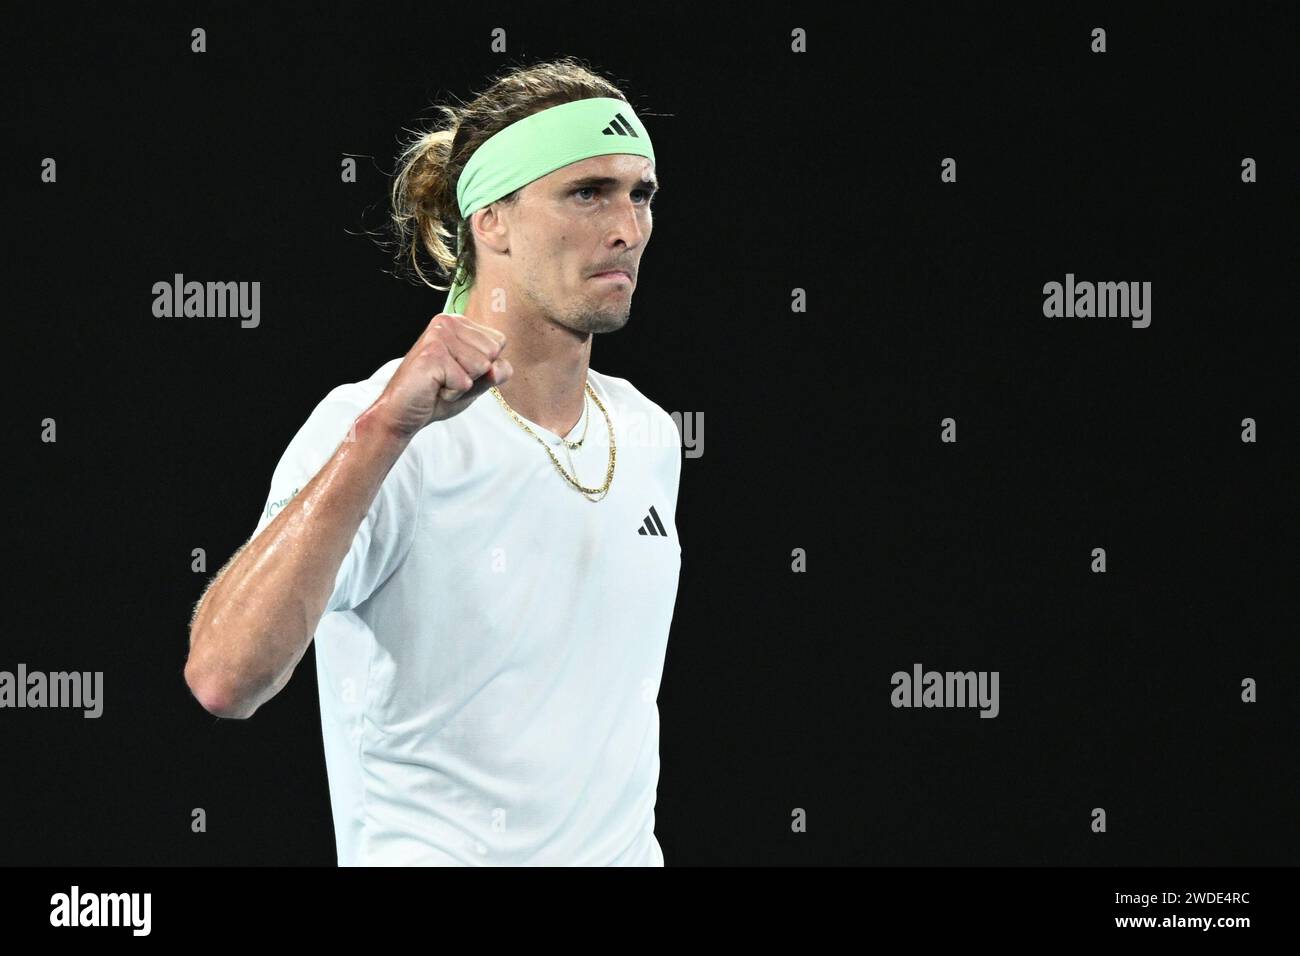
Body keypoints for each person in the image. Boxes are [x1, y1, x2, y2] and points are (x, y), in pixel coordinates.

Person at [184, 58, 681, 866]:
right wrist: (384, 432)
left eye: (641, 194)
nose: (626, 227)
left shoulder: (649, 434)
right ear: (492, 221)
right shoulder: (373, 427)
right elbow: (224, 678)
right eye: (588, 192)